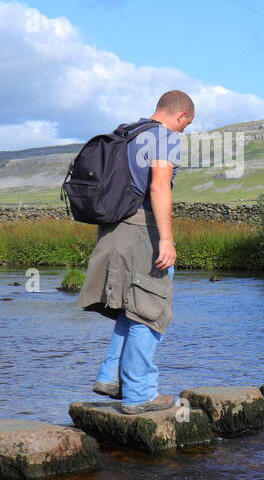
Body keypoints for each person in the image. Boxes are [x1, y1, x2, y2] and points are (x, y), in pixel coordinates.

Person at [76, 90, 193, 414]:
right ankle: (139, 394)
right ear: (181, 116)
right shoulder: (162, 137)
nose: (180, 132)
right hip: (143, 231)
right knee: (150, 310)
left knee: (131, 307)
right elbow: (158, 187)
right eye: (184, 127)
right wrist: (166, 240)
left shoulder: (127, 133)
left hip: (112, 231)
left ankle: (112, 378)